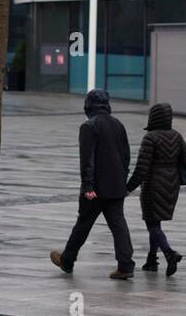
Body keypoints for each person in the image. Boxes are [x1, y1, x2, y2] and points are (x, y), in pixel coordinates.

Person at [50, 89, 135, 280]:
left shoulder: (89, 126)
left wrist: (88, 186)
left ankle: (67, 260)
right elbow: (126, 156)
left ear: (88, 105)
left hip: (96, 189)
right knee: (118, 225)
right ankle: (126, 265)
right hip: (116, 187)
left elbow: (87, 159)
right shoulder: (118, 125)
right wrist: (123, 181)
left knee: (83, 224)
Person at [126, 103, 186, 277]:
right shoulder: (177, 136)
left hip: (153, 185)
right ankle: (152, 260)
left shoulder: (150, 137)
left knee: (152, 223)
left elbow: (142, 168)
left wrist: (128, 188)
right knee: (155, 222)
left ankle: (169, 254)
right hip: (172, 184)